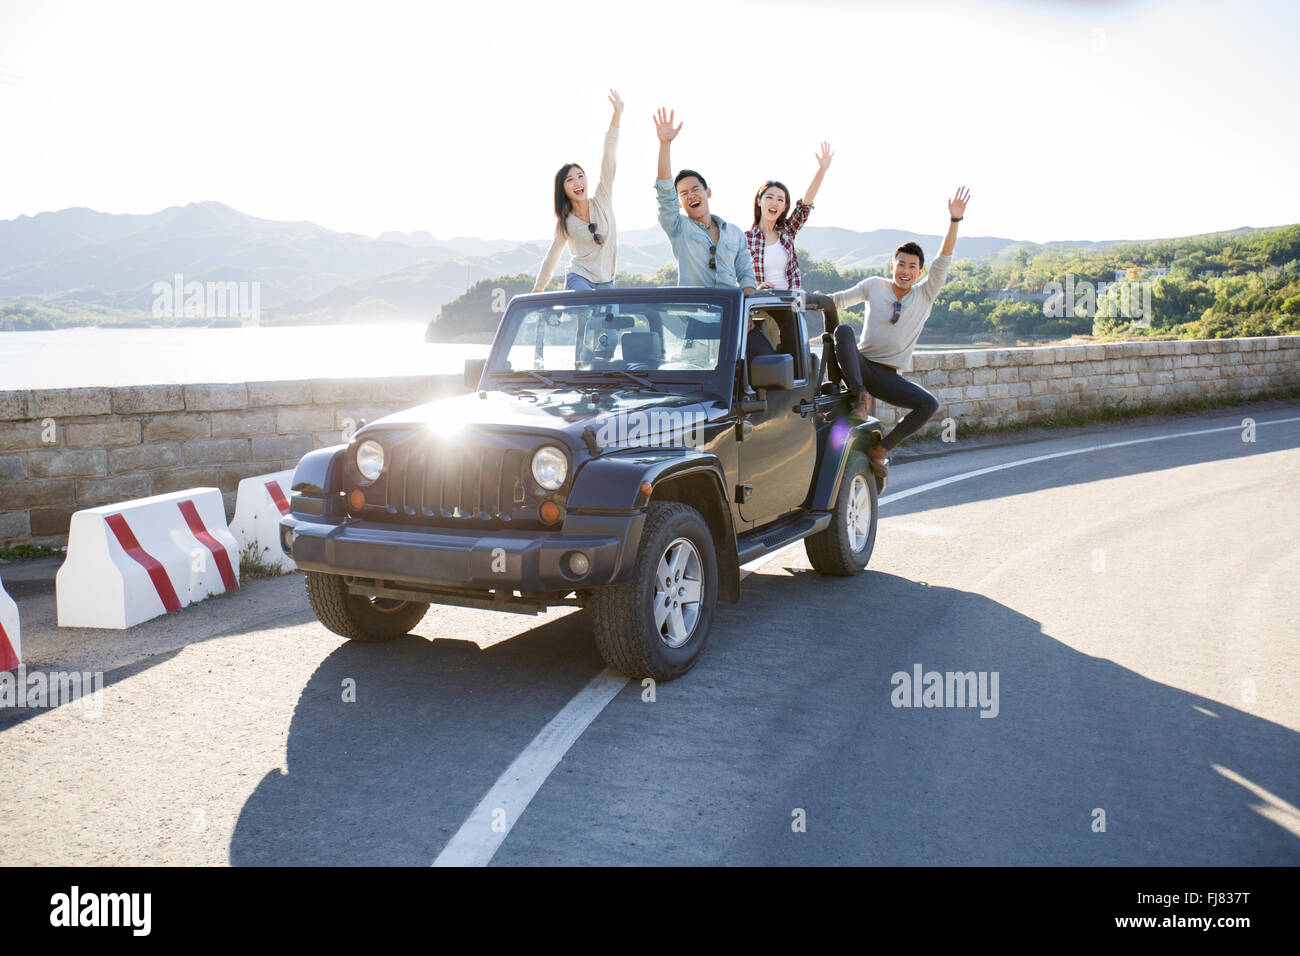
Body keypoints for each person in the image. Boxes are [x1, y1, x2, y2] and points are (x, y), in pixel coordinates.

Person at [827, 187, 971, 473]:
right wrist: (812, 299)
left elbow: (944, 258)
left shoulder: (925, 294)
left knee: (928, 404)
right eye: (901, 264)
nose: (905, 270)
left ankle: (881, 449)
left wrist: (954, 221)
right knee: (843, 331)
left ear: (919, 272)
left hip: (888, 376)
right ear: (892, 265)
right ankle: (860, 397)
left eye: (912, 266)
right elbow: (838, 300)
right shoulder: (874, 285)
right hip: (861, 367)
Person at [652, 107, 756, 294]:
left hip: (730, 317)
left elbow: (746, 274)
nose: (691, 195)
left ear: (707, 192)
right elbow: (664, 193)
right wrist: (665, 144)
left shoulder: (734, 233)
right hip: (695, 317)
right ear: (679, 202)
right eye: (684, 193)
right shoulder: (678, 228)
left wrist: (746, 313)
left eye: (695, 189)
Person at [532, 90, 624, 293]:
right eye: (570, 180)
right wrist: (538, 290)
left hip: (606, 281)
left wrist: (617, 114)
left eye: (580, 176)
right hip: (579, 278)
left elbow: (609, 155)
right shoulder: (565, 221)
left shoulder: (603, 198)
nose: (577, 182)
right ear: (562, 189)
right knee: (584, 313)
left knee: (611, 325)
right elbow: (552, 256)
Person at [746, 142, 834, 291]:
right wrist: (755, 290)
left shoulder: (787, 231)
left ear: (785, 206)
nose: (775, 203)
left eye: (780, 199)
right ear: (759, 201)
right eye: (770, 197)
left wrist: (822, 170)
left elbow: (806, 203)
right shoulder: (745, 239)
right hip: (759, 306)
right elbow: (739, 278)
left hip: (790, 304)